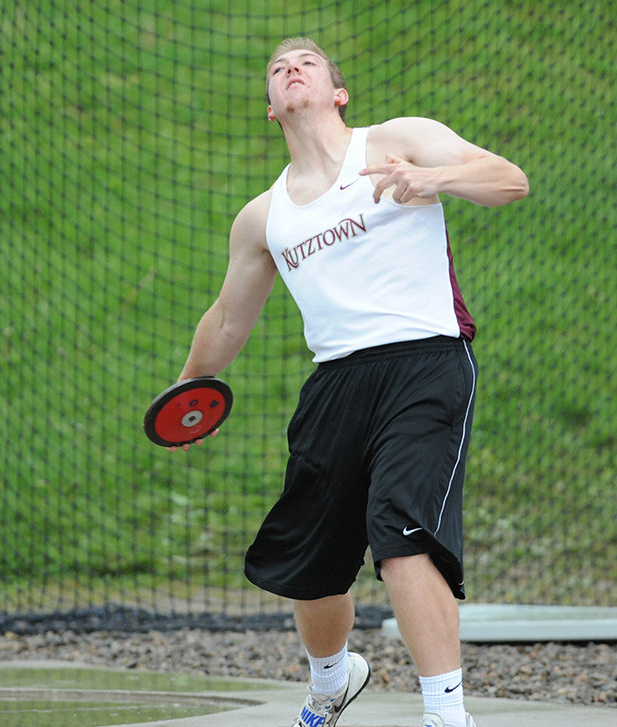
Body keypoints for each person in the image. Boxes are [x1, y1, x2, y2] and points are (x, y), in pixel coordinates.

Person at [171, 37, 528, 727]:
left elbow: (509, 179)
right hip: (335, 382)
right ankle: (332, 681)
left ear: (338, 92)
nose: (290, 69)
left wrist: (435, 180)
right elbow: (226, 318)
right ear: (272, 109)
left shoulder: (398, 141)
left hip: (425, 362)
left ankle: (446, 717)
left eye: (306, 62)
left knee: (403, 534)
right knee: (310, 558)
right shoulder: (263, 216)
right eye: (277, 69)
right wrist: (188, 393)